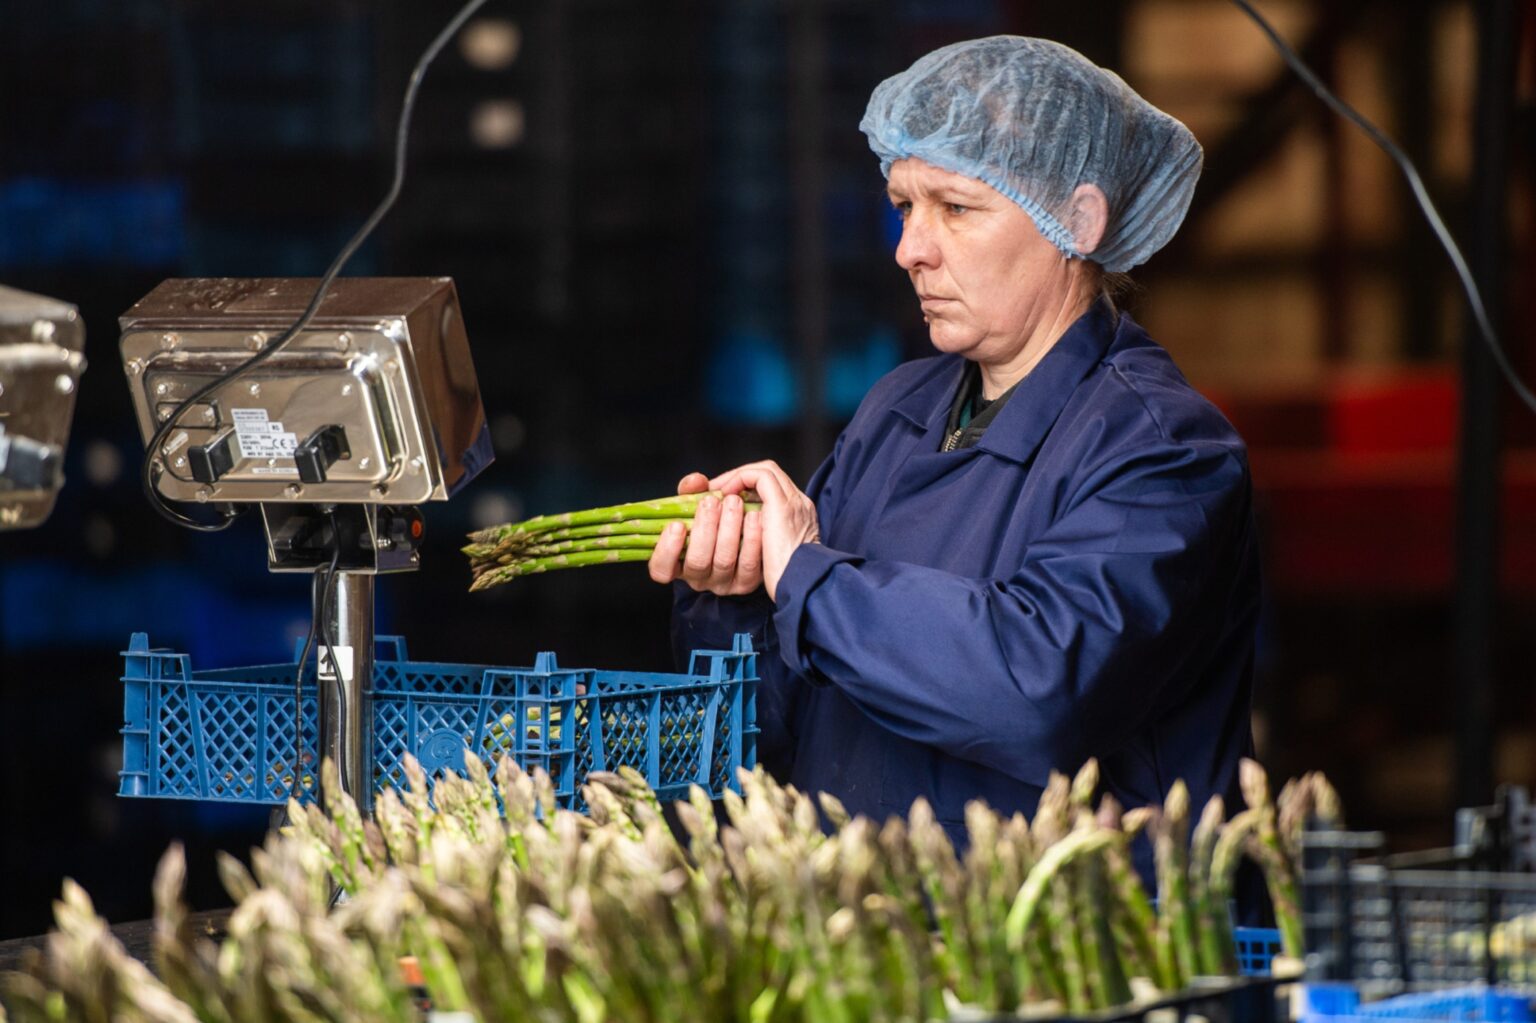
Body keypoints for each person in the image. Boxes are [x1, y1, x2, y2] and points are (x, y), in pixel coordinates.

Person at [649, 36, 1258, 866]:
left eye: (956, 208)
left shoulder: (1162, 450)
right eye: (905, 205)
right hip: (864, 920)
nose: (910, 248)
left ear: (1078, 220)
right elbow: (777, 733)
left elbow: (1037, 691)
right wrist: (738, 599)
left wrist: (808, 581)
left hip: (1066, 933)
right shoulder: (896, 412)